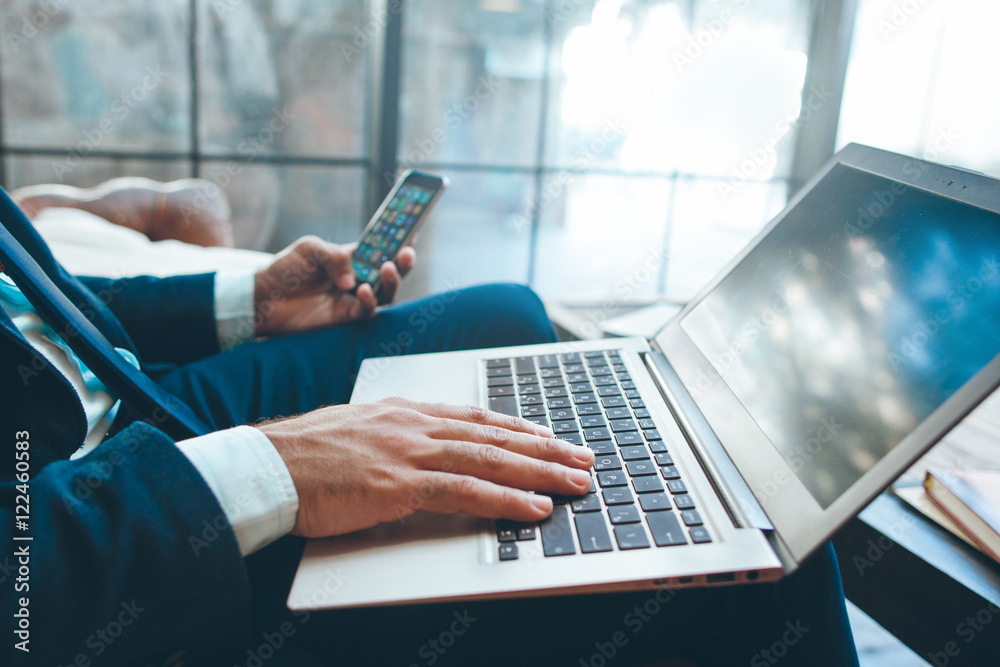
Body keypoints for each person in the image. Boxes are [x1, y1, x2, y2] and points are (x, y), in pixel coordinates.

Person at [0, 184, 859, 666]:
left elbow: (37, 306)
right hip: (83, 545)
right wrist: (275, 468)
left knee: (503, 313)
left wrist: (249, 300)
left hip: (112, 400)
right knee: (770, 560)